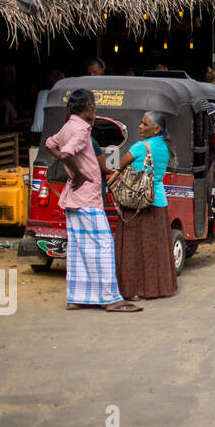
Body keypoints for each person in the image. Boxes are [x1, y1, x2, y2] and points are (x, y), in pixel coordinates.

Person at [45, 88, 140, 312]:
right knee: (104, 245)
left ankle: (77, 297)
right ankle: (111, 299)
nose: (95, 109)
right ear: (85, 106)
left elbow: (51, 144)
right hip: (88, 197)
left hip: (74, 199)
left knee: (79, 248)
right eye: (93, 104)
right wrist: (78, 173)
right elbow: (70, 154)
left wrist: (71, 168)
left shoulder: (68, 126)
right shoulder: (82, 130)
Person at [114, 111, 177, 301]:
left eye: (145, 124)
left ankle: (132, 290)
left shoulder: (140, 147)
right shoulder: (166, 147)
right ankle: (158, 288)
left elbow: (119, 166)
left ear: (156, 129)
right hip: (158, 202)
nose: (140, 127)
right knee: (155, 250)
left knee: (132, 249)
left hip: (136, 203)